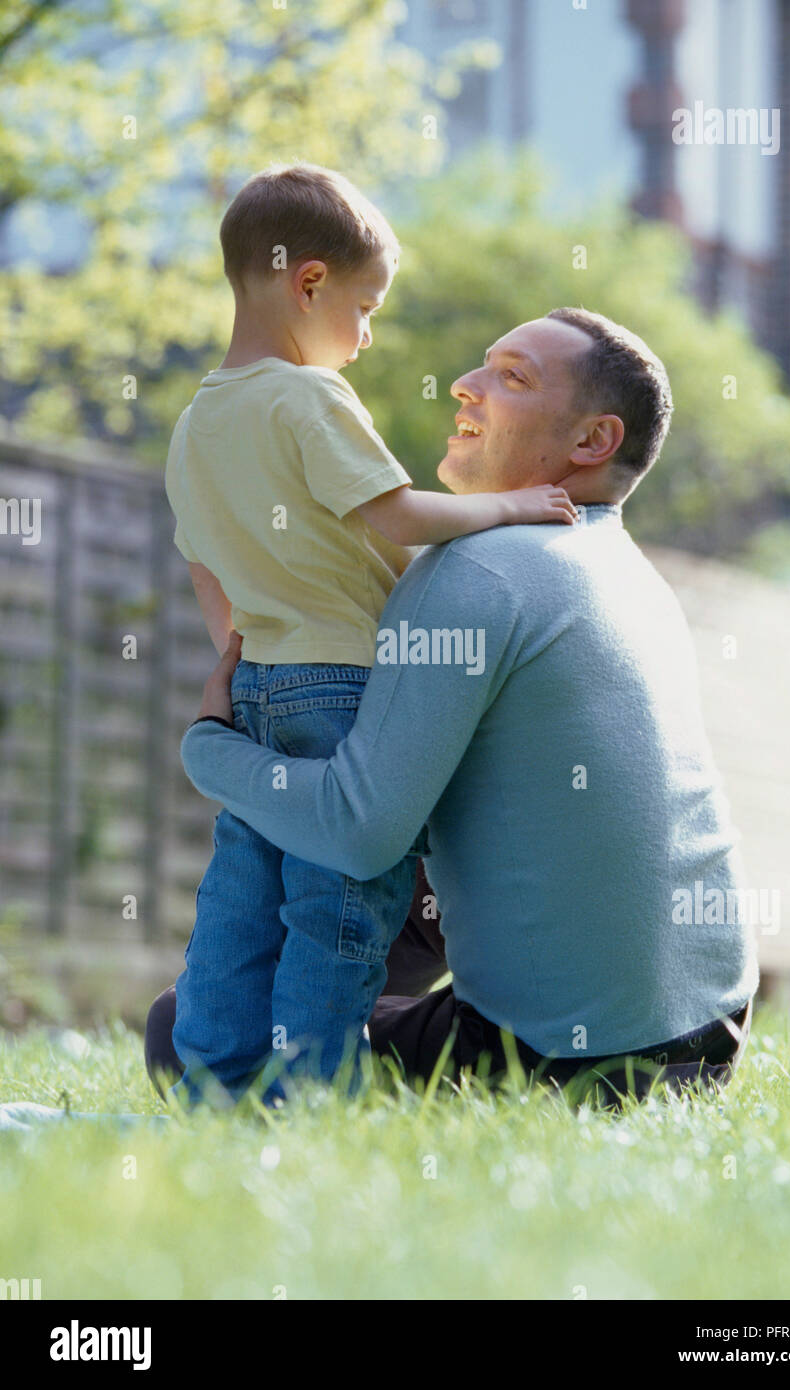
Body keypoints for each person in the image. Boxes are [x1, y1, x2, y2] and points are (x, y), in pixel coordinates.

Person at [148, 307, 758, 1108]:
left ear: (591, 442)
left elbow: (359, 832)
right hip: (708, 1028)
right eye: (481, 365)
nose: (464, 388)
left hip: (573, 1064)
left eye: (510, 378)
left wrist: (210, 749)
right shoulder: (621, 569)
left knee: (185, 1026)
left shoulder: (476, 571)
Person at [164, 162, 576, 1106]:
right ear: (308, 283)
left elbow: (205, 567)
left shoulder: (196, 423)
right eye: (366, 306)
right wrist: (510, 505)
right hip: (343, 688)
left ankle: (216, 1087)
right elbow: (392, 515)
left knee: (240, 902)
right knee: (337, 905)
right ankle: (310, 1101)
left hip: (258, 688)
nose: (367, 332)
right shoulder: (308, 399)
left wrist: (232, 657)